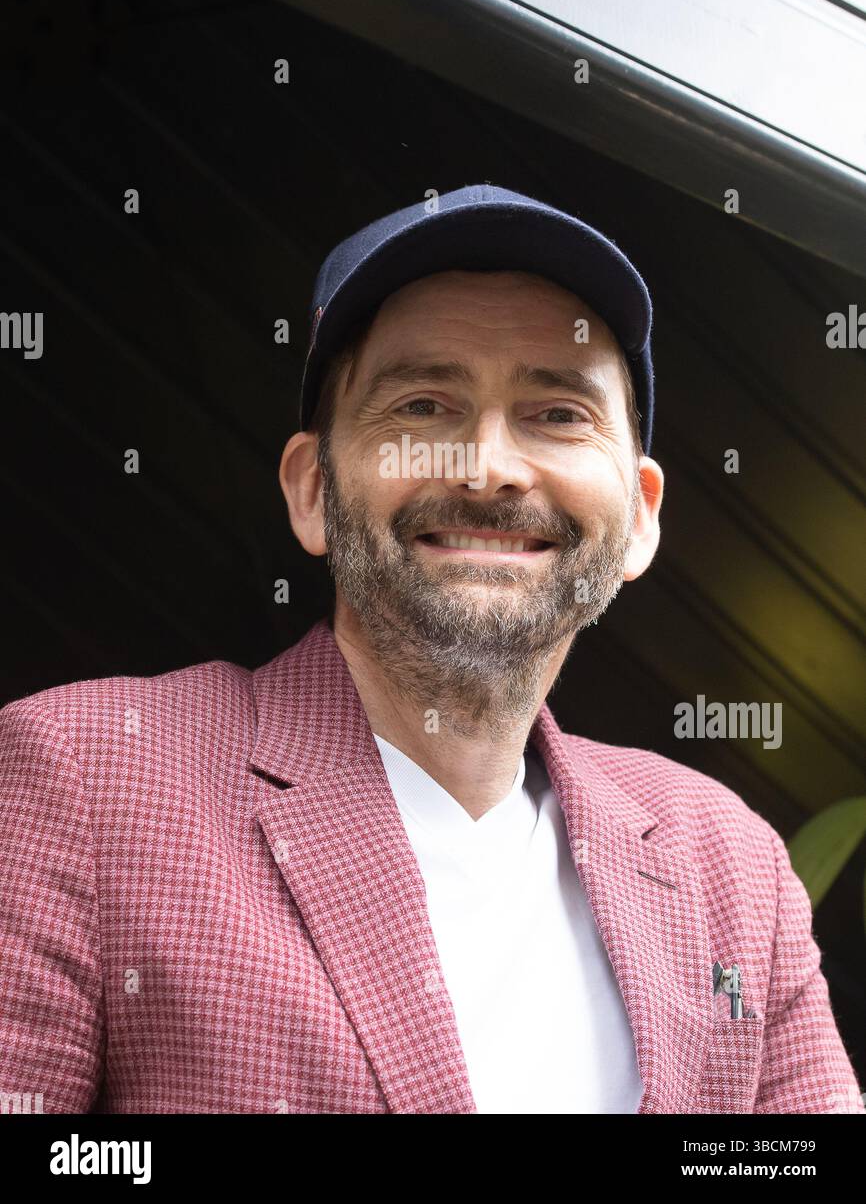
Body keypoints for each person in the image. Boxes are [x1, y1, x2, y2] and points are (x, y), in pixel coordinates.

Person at [0, 185, 861, 1114]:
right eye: (424, 405)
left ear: (643, 516)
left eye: (560, 413)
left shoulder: (730, 860)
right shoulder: (86, 775)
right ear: (312, 491)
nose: (487, 465)